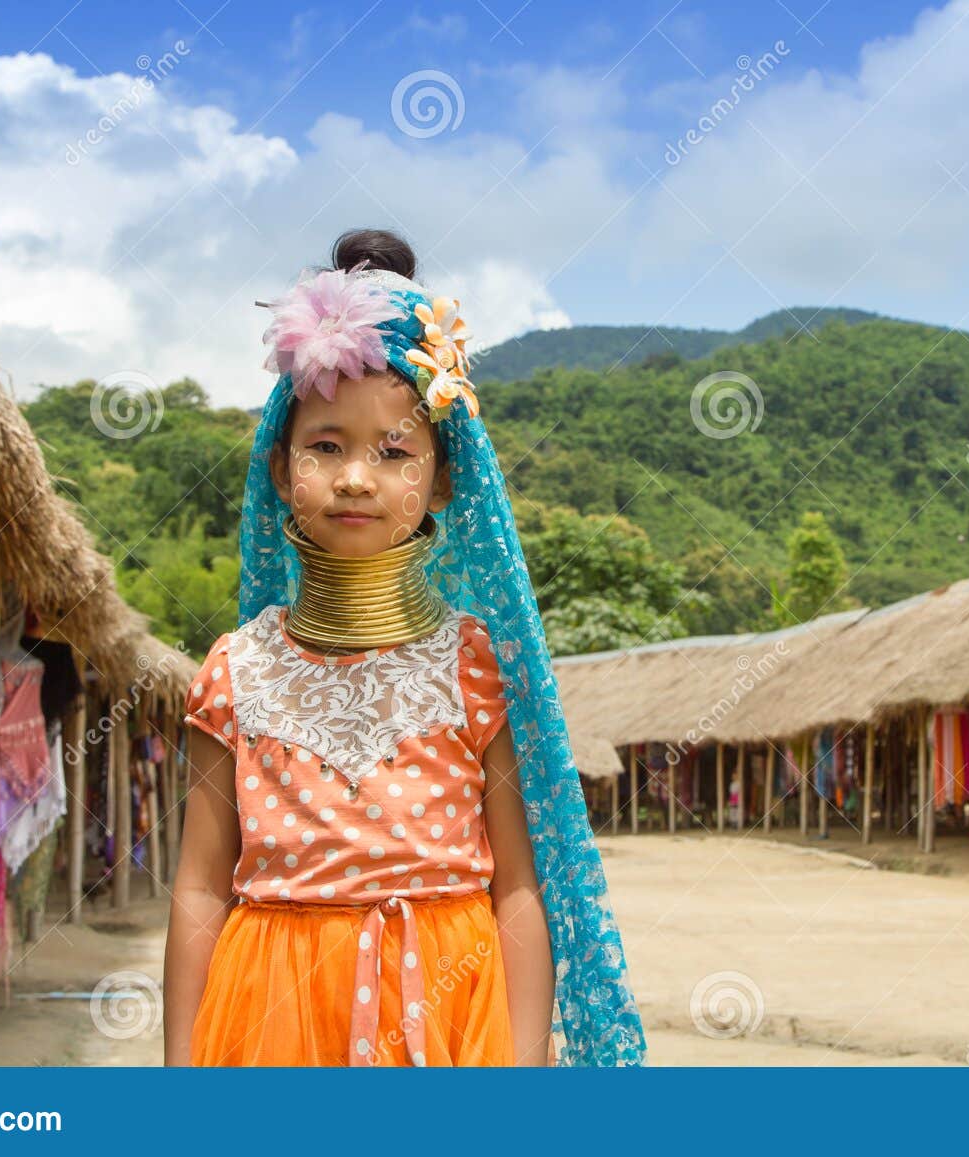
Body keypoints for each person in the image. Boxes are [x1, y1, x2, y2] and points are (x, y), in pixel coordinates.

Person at [163, 228, 646, 1067]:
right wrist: (177, 1074)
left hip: (450, 1011)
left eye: (394, 451)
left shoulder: (471, 665)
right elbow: (201, 885)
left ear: (445, 477)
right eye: (326, 447)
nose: (357, 476)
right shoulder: (232, 670)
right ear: (279, 469)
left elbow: (518, 888)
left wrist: (525, 1066)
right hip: (268, 1019)